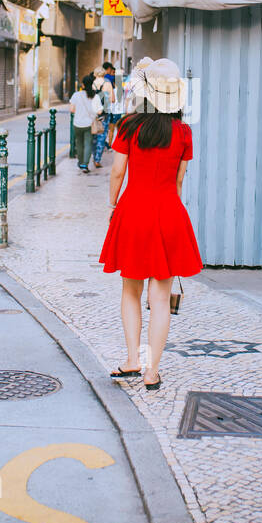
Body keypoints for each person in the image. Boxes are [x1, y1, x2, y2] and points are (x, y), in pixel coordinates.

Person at [99, 58, 203, 391]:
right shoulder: (183, 132)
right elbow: (179, 181)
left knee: (131, 291)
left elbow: (117, 172)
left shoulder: (130, 127)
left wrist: (113, 204)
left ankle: (132, 359)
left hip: (134, 211)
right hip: (169, 213)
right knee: (160, 298)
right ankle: (152, 371)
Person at [68, 74, 101, 173]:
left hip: (77, 123)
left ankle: (80, 161)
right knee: (88, 144)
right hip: (89, 124)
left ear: (82, 85)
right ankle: (85, 164)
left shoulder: (76, 95)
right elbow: (99, 111)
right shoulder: (95, 96)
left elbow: (72, 110)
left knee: (79, 143)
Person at [91, 67, 113, 168]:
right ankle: (97, 159)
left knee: (93, 134)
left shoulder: (92, 84)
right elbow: (113, 99)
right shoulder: (107, 84)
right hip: (105, 112)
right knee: (102, 135)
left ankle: (93, 155)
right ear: (104, 74)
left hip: (93, 113)